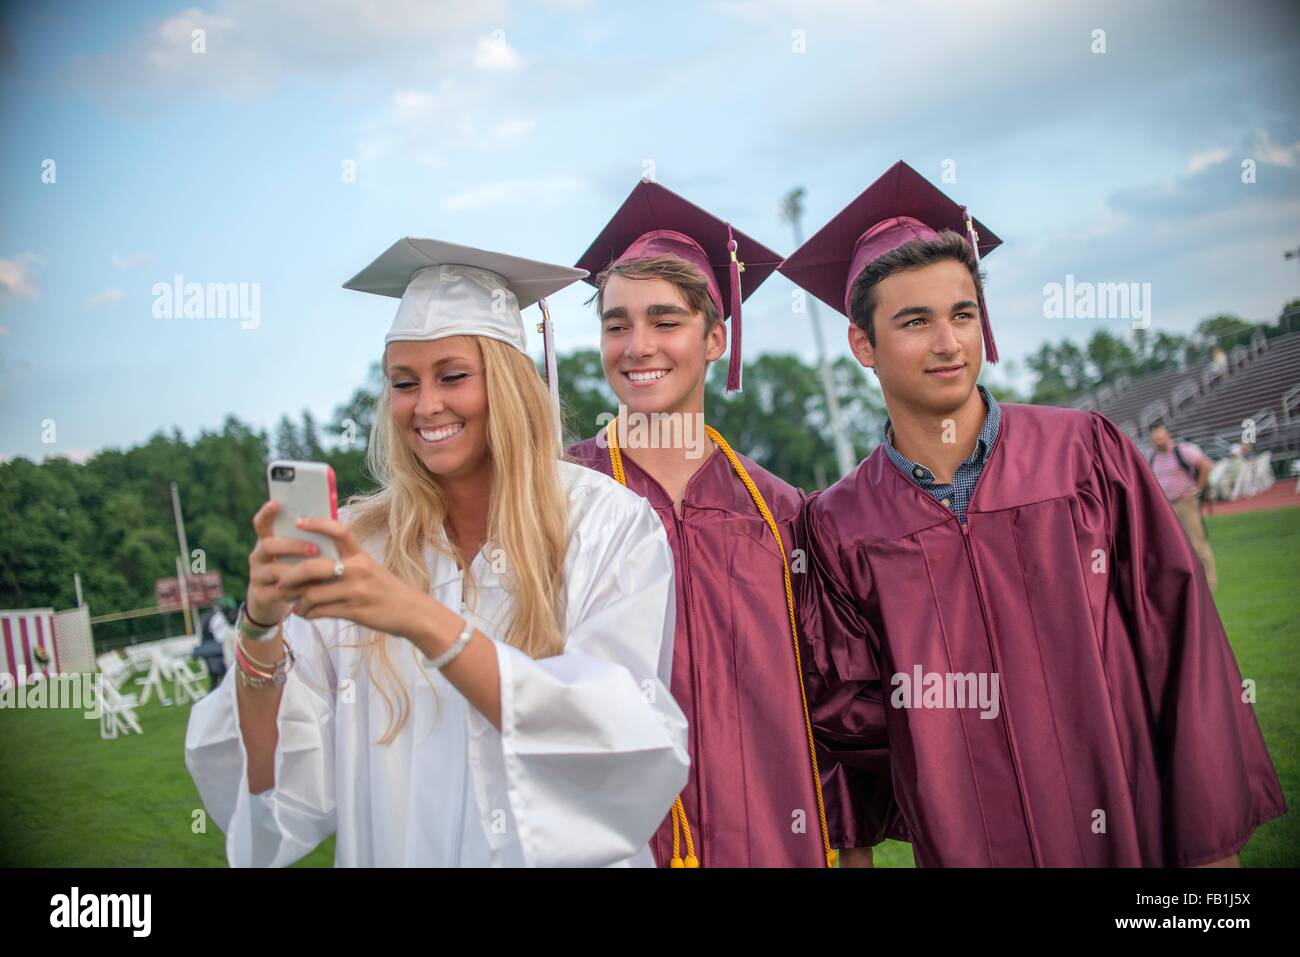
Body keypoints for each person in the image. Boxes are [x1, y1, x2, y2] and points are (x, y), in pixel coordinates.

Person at [780, 160, 1285, 867]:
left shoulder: (1085, 456)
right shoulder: (839, 525)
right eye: (915, 321)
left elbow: (1181, 647)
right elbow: (846, 720)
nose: (950, 342)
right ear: (863, 345)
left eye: (962, 314)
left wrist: (1211, 849)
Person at [185, 238, 689, 867]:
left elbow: (621, 741)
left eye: (453, 376)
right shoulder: (360, 547)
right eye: (403, 383)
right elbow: (271, 796)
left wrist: (423, 620)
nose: (426, 406)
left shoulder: (606, 525)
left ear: (506, 387)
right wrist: (260, 631)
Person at [567, 180, 835, 867]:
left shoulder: (783, 513)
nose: (637, 345)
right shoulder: (560, 496)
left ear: (716, 337)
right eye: (616, 323)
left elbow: (827, 702)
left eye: (665, 320)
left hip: (773, 842)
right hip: (616, 845)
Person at [1147, 422, 1216, 589]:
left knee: (1197, 544)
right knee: (1169, 546)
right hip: (1166, 507)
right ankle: (1181, 583)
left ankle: (1209, 584)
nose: (1159, 442)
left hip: (1185, 503)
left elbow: (1206, 465)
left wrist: (1197, 489)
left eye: (1161, 438)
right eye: (1155, 440)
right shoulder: (1151, 456)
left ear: (1168, 436)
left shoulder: (1182, 451)